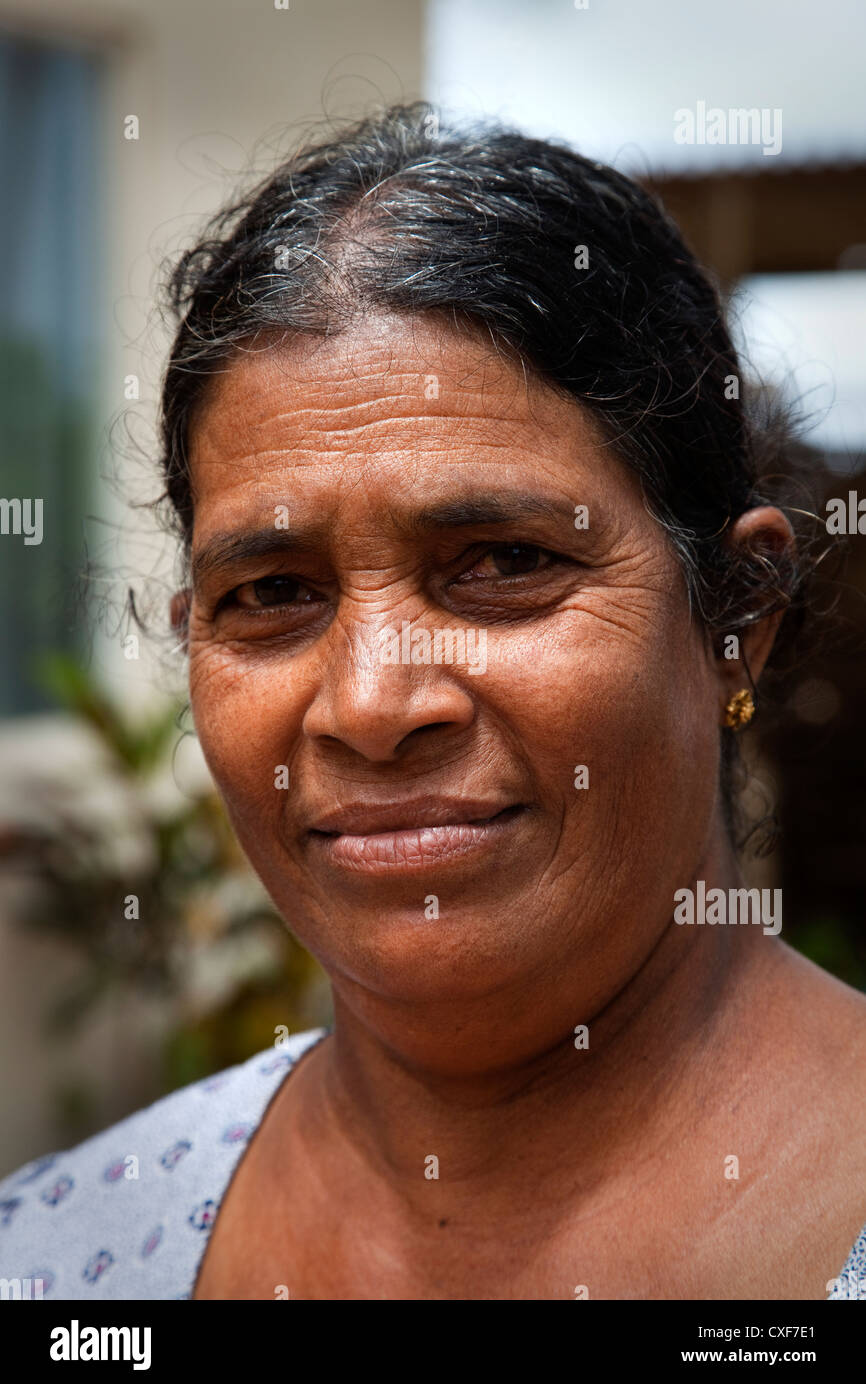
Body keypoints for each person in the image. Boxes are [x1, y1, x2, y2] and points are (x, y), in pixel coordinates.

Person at [2, 102, 865, 1301]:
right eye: (274, 592)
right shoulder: (60, 1259)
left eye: (502, 563)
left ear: (735, 618)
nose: (368, 703)